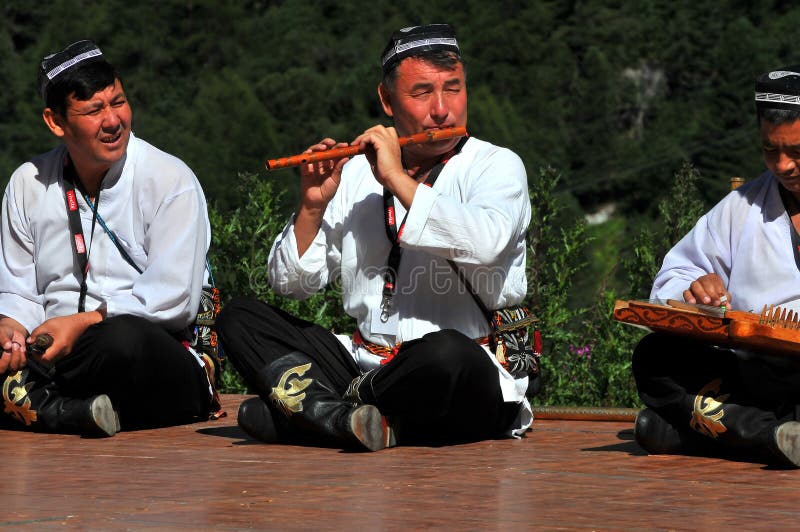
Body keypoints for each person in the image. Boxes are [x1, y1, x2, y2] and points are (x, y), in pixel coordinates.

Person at [217, 23, 534, 451]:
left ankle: (314, 414)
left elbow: (485, 242)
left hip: (463, 372)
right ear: (387, 100)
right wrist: (312, 205)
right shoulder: (352, 175)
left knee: (445, 354)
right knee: (240, 318)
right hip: (363, 362)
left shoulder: (496, 165)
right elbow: (291, 285)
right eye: (422, 93)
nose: (442, 110)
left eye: (453, 89)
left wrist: (395, 177)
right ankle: (349, 419)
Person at [0, 40, 215, 437]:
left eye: (118, 102)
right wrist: (10, 334)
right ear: (55, 121)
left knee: (121, 339)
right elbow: (19, 294)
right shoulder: (26, 184)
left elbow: (173, 302)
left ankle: (40, 405)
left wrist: (81, 323)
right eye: (94, 110)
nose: (113, 120)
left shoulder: (171, 181)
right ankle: (78, 413)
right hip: (52, 351)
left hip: (154, 355)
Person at [631, 65, 800, 467]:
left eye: (797, 151)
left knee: (656, 427)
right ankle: (774, 435)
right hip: (754, 374)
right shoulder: (740, 208)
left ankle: (707, 433)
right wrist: (695, 288)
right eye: (769, 150)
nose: (783, 165)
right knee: (654, 358)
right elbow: (672, 278)